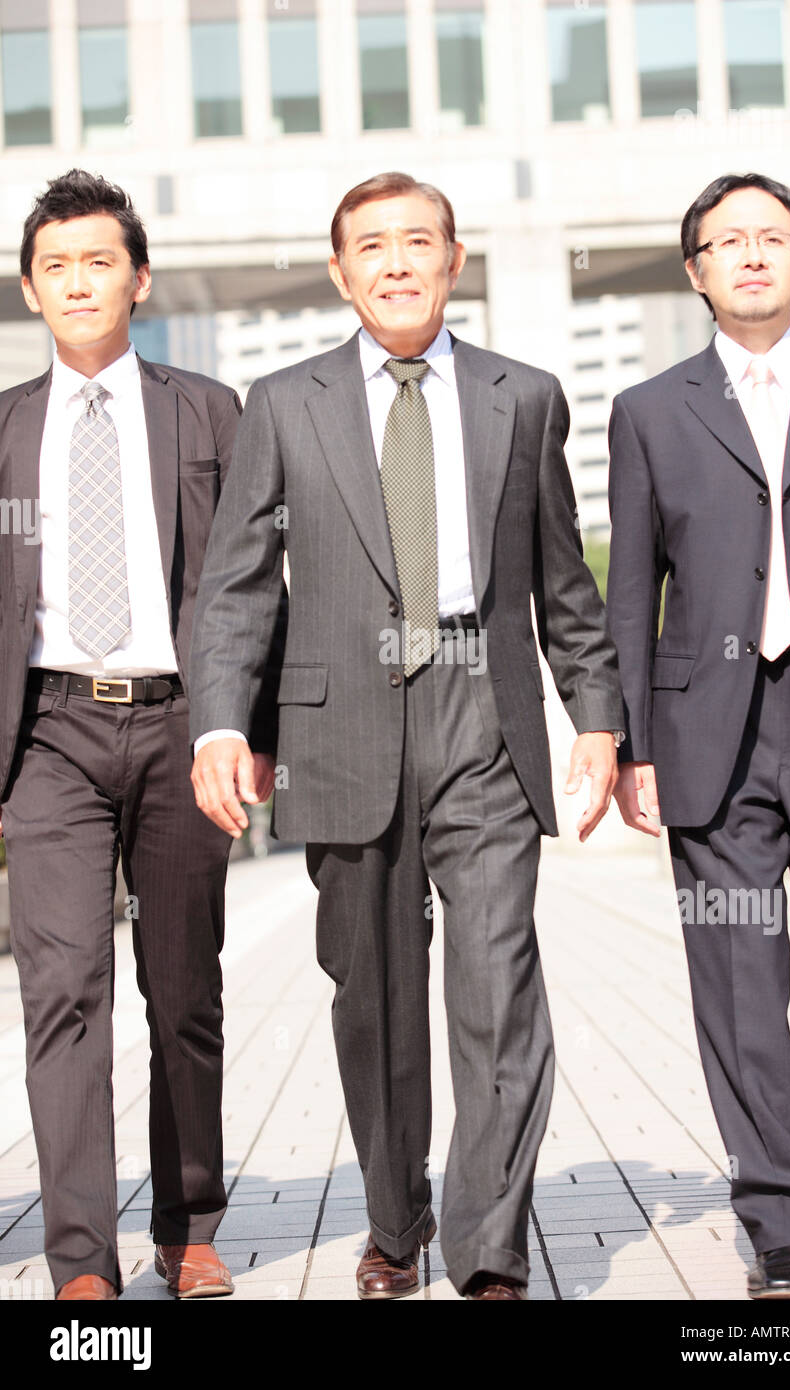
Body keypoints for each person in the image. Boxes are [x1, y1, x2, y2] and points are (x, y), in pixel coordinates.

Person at [189, 171, 622, 1300]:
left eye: (415, 241)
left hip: (484, 713)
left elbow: (563, 584)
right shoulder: (282, 402)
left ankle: (487, 1249)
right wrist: (221, 725)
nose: (394, 262)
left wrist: (597, 720)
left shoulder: (521, 397)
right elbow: (235, 586)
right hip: (341, 731)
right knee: (371, 999)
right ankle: (395, 1223)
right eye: (369, 246)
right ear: (339, 272)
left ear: (453, 259)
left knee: (497, 989)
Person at [0, 169, 268, 1301]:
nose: (77, 282)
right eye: (55, 265)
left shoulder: (206, 410)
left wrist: (240, 728)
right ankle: (79, 1262)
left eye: (98, 260)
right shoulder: (5, 426)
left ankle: (189, 1223)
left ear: (138, 276)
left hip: (178, 727)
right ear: (29, 287)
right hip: (49, 730)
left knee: (183, 986)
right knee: (62, 986)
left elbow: (247, 580)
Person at [606, 171, 790, 1300]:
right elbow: (628, 591)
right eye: (729, 241)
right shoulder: (650, 411)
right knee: (736, 981)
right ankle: (780, 1215)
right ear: (694, 269)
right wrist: (625, 741)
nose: (752, 255)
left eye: (772, 238)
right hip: (707, 727)